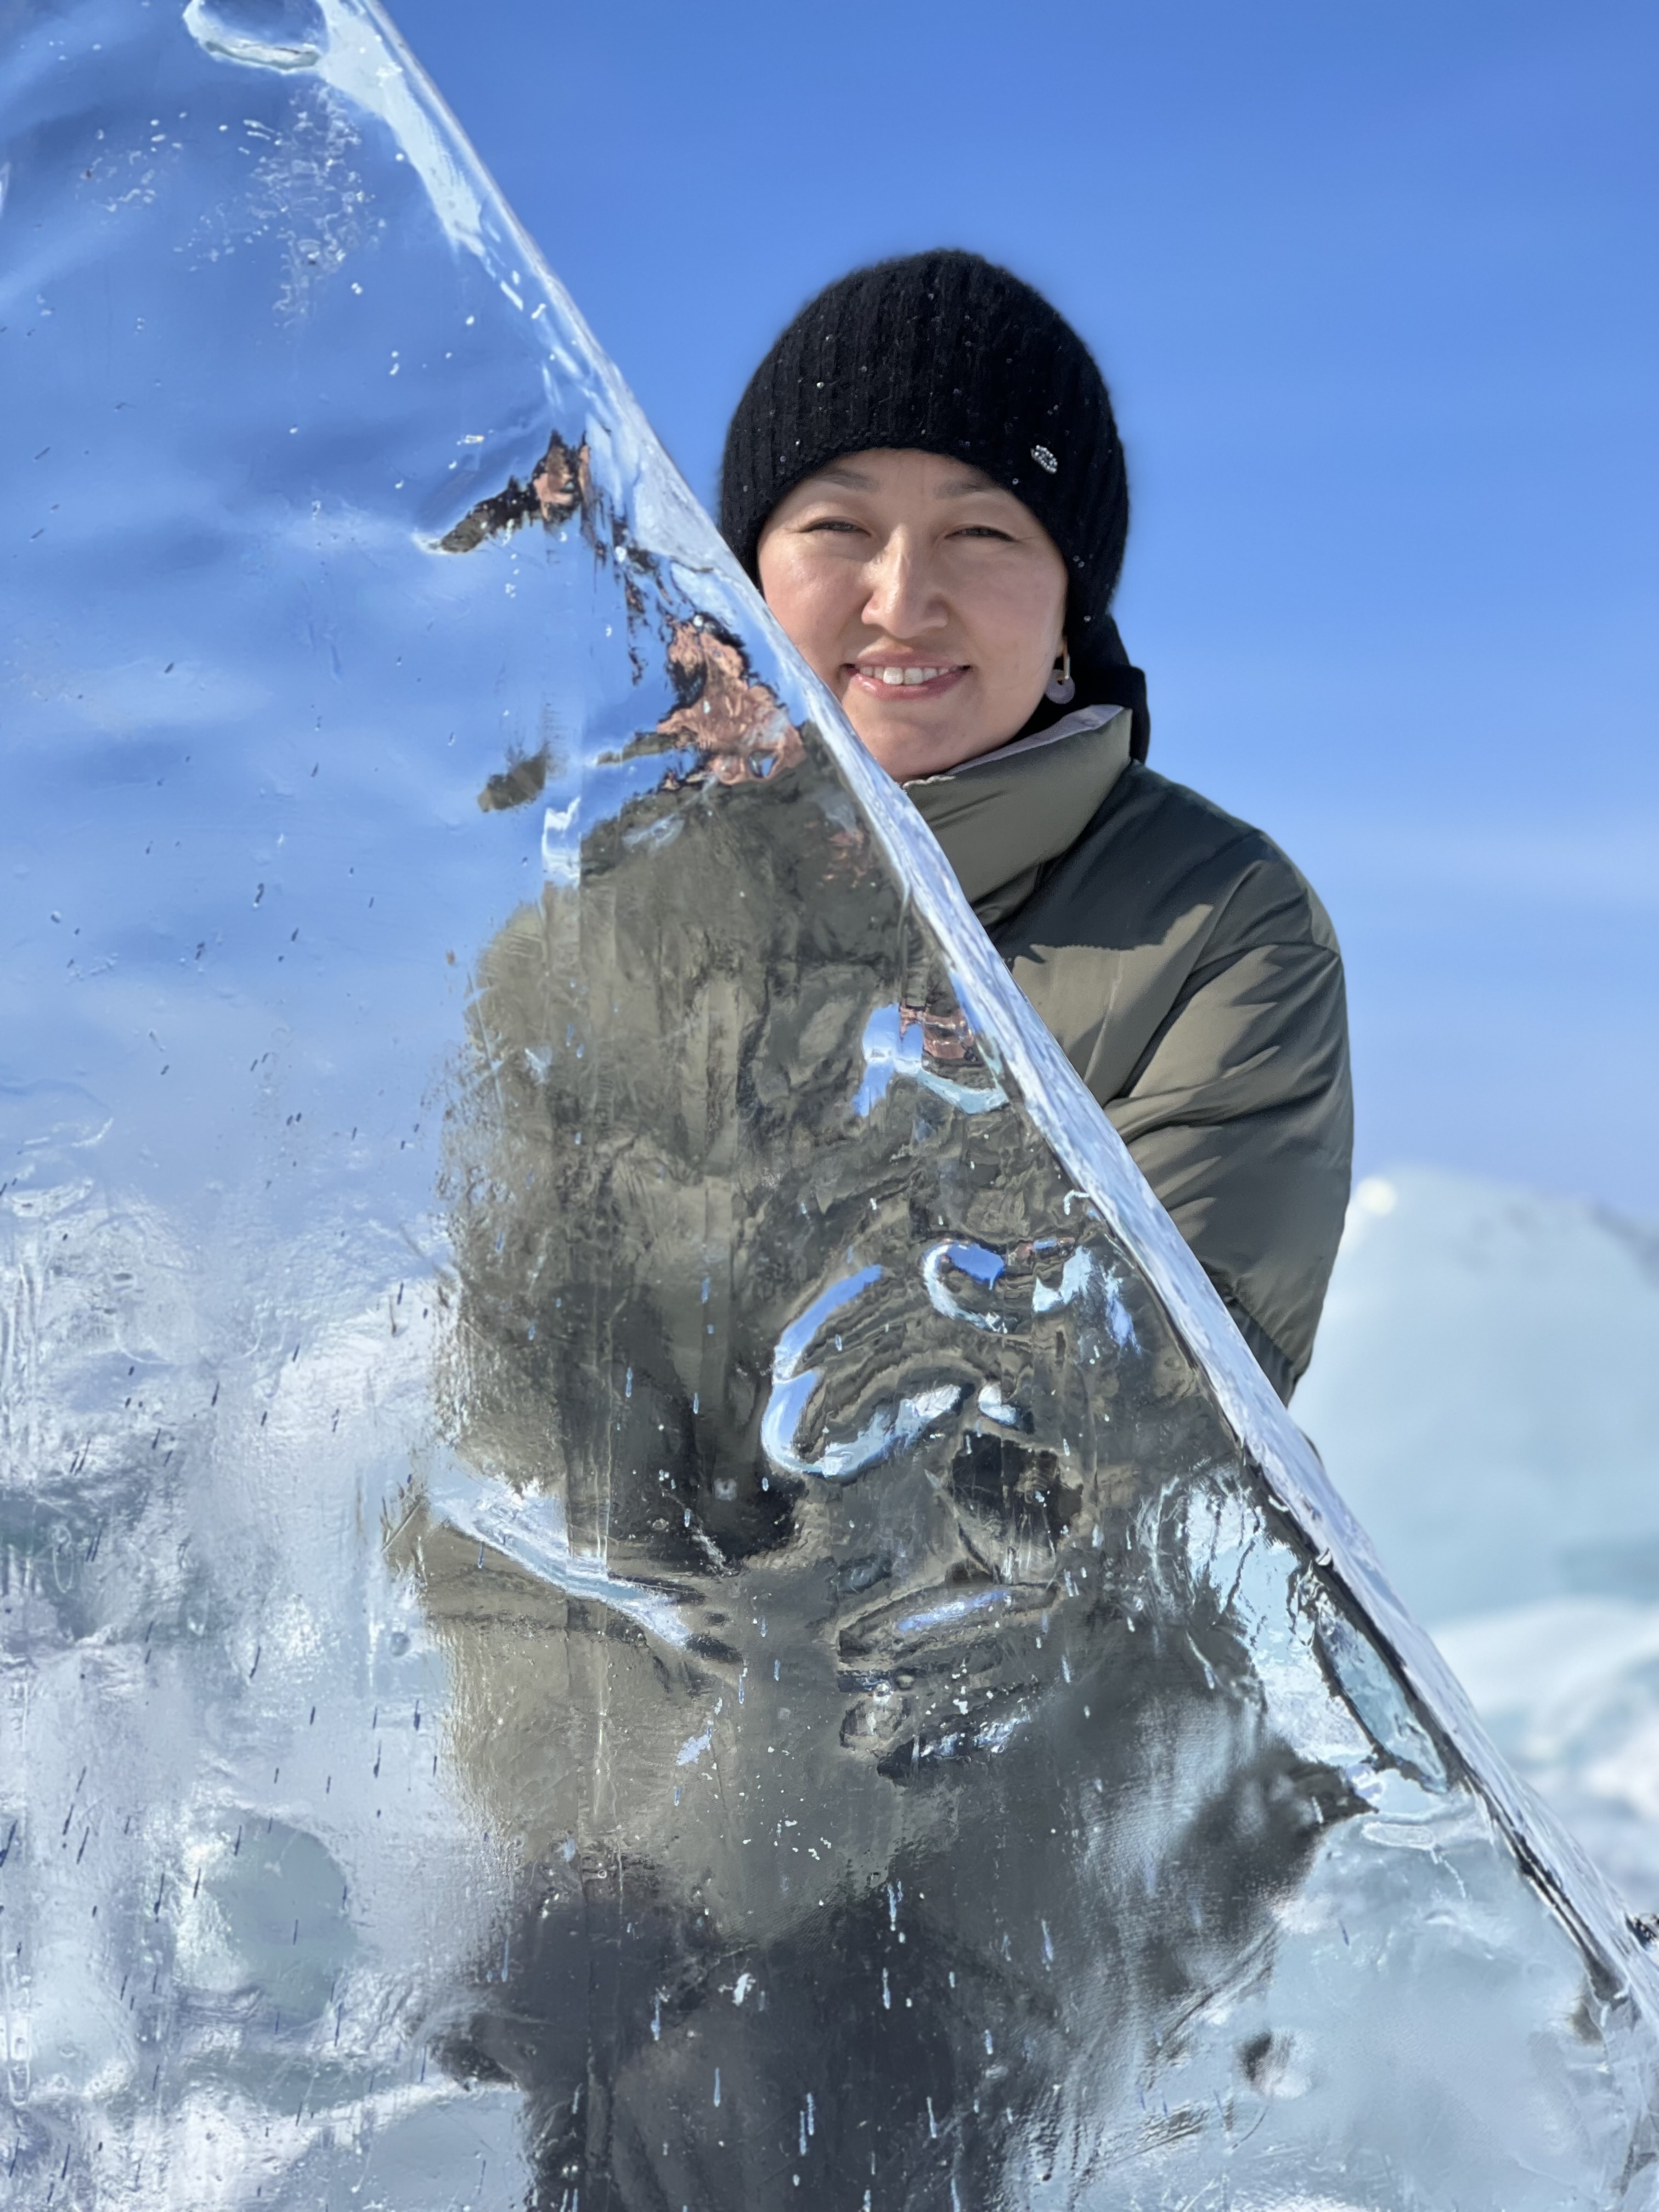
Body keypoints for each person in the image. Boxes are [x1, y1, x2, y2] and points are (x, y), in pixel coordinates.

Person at [720, 249, 1352, 1402]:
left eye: (983, 534)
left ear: (1071, 612)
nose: (903, 602)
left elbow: (1150, 1423)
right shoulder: (606, 898)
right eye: (837, 527)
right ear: (745, 579)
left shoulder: (1219, 926)